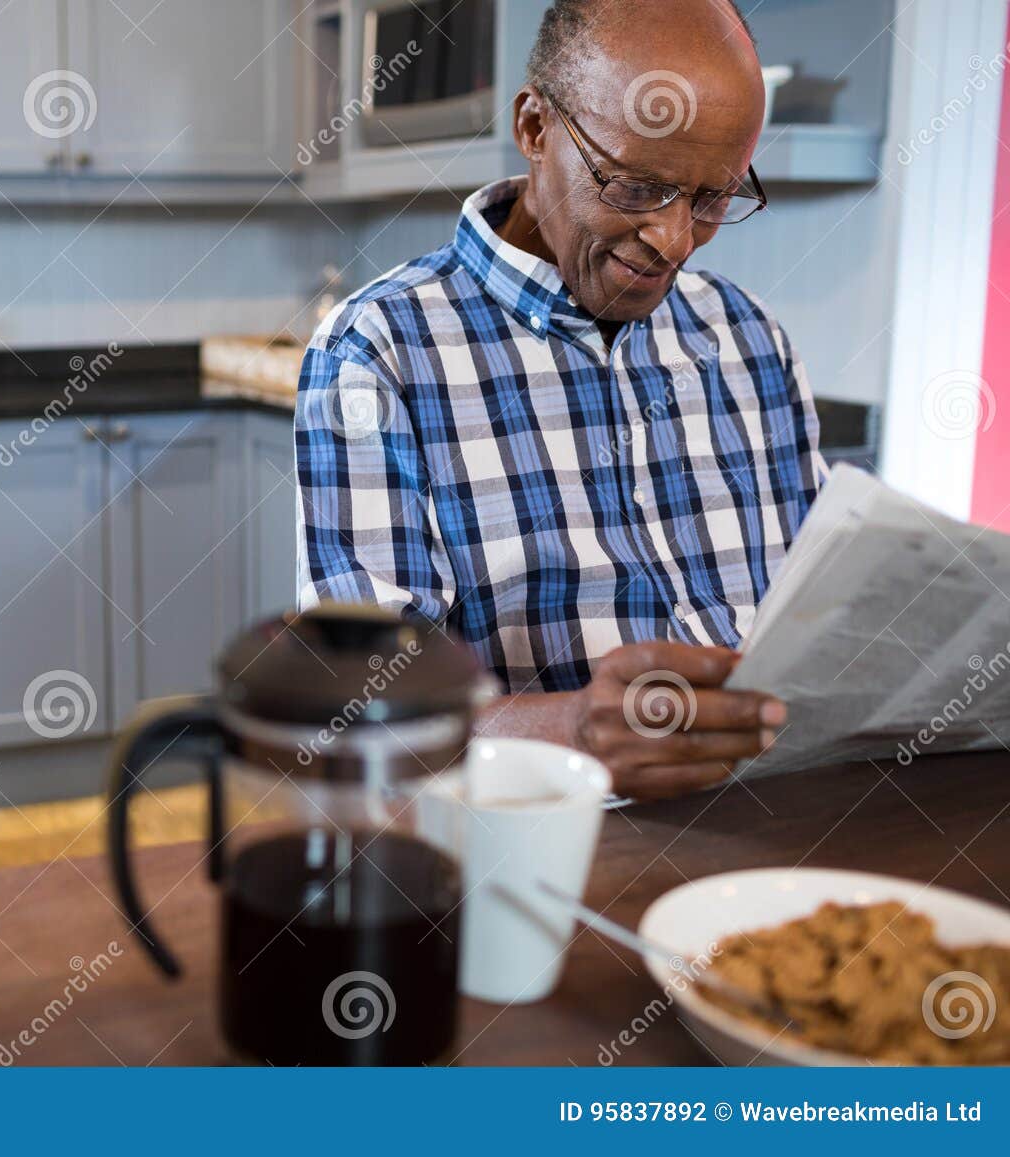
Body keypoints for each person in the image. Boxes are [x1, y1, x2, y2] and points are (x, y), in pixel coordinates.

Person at [296, 0, 824, 799]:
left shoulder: (750, 337)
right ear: (535, 128)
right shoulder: (378, 352)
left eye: (713, 199)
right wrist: (573, 731)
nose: (675, 240)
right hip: (551, 835)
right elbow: (365, 712)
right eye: (638, 187)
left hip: (785, 811)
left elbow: (821, 619)